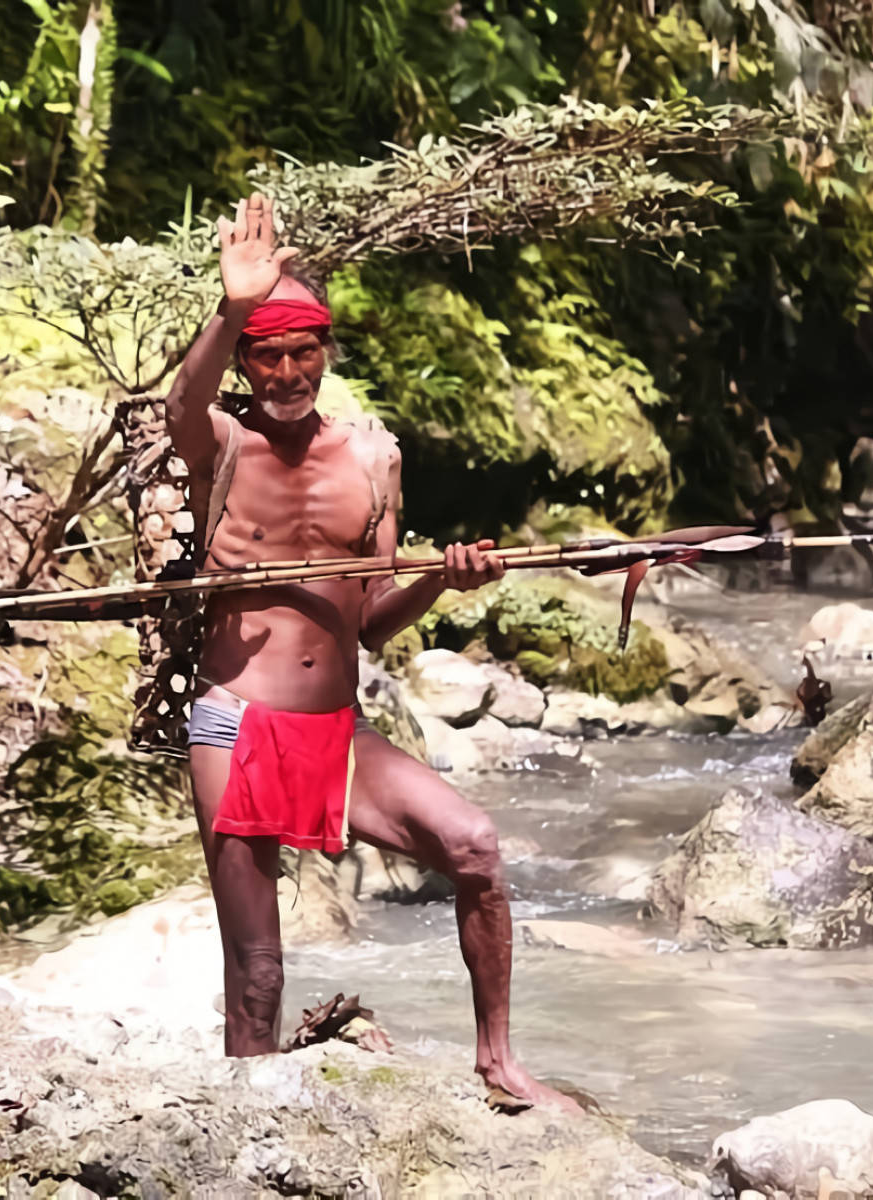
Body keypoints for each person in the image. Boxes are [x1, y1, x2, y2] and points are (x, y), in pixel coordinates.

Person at [164, 191, 581, 1113]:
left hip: (338, 735)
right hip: (236, 725)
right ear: (244, 359)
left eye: (300, 350)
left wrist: (443, 578)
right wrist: (233, 303)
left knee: (473, 844)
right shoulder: (220, 445)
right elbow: (179, 400)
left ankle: (499, 1064)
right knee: (260, 968)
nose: (284, 370)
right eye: (264, 353)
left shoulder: (373, 458)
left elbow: (370, 621)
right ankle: (246, 1126)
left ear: (327, 352)